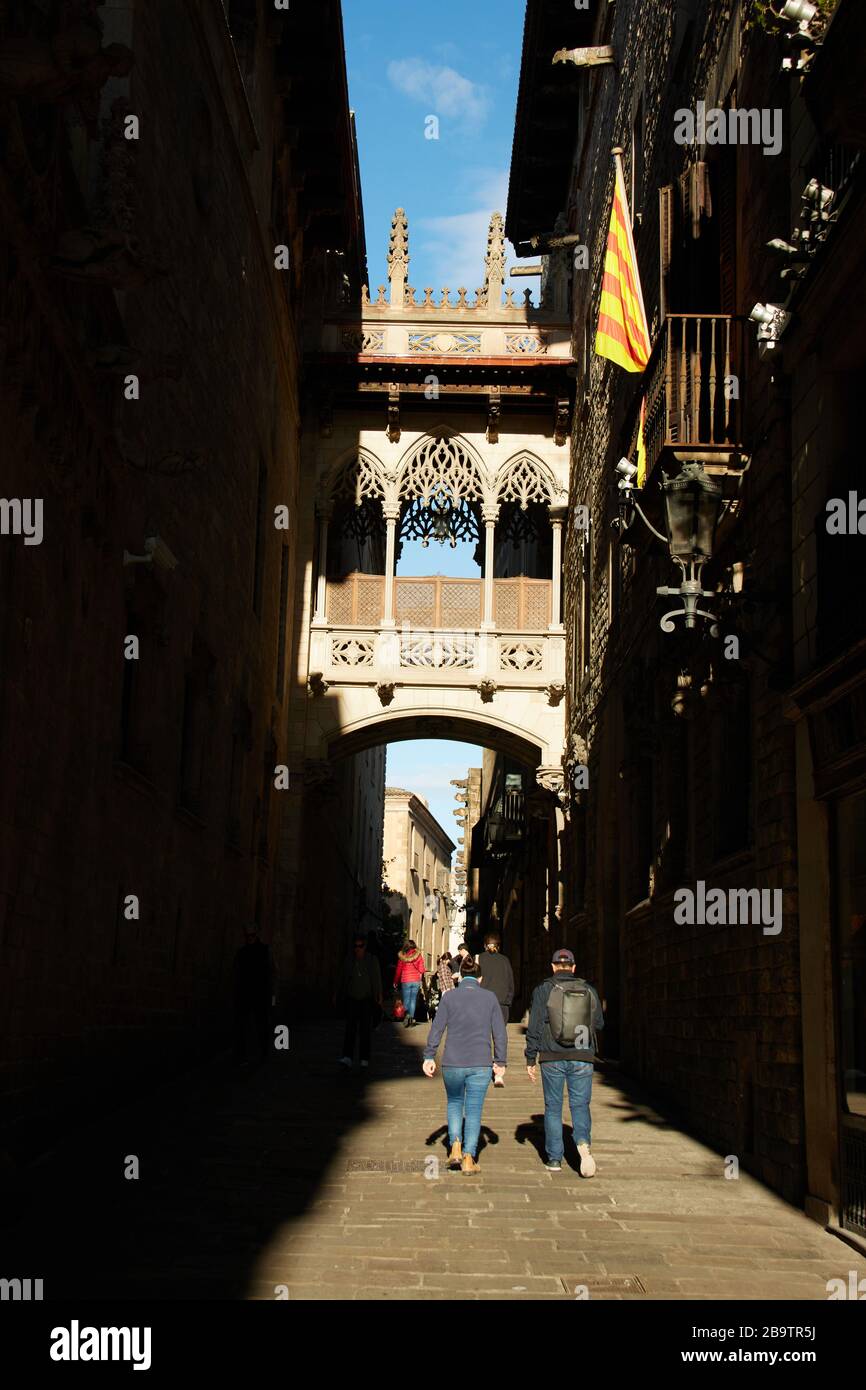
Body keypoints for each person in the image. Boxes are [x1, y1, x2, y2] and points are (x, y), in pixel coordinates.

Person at [422, 954, 506, 1174]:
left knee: (454, 1103)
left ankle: (455, 1146)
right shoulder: (490, 998)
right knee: (474, 1109)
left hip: (453, 1062)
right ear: (480, 979)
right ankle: (469, 1157)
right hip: (480, 1063)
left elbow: (437, 1028)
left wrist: (429, 1056)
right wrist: (500, 1062)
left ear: (461, 977)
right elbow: (499, 1033)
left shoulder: (449, 998)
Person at [525, 948, 604, 1175]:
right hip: (582, 1053)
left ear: (552, 967)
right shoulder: (588, 989)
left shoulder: (543, 989)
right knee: (580, 1104)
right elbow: (598, 1022)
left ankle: (554, 1159)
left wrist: (531, 1057)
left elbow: (535, 1025)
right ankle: (583, 1146)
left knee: (553, 1107)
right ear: (573, 967)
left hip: (551, 1056)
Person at [335, 936, 383, 1069]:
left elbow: (376, 978)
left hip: (366, 1000)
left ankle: (364, 1058)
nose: (357, 949)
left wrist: (378, 996)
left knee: (365, 1030)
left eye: (360, 946)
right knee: (350, 1029)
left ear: (365, 946)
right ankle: (347, 1057)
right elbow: (343, 978)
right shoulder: (349, 960)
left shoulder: (371, 960)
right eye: (355, 946)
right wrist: (338, 994)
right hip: (352, 998)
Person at [233, 924, 275, 1063]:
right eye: (247, 935)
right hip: (248, 993)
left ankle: (262, 1052)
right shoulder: (242, 952)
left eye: (251, 935)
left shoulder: (263, 950)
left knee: (260, 1024)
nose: (249, 938)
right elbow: (237, 973)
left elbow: (270, 973)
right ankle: (244, 1053)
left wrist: (271, 994)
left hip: (258, 993)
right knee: (245, 1025)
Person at [477, 932, 514, 1086]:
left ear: (485, 945)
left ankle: (482, 1068)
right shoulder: (505, 960)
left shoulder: (480, 958)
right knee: (500, 1037)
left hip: (483, 1002)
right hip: (501, 1003)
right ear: (498, 946)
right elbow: (511, 982)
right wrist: (508, 1001)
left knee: (482, 1036)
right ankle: (499, 1072)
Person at [393, 939, 426, 1027]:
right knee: (413, 1000)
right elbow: (422, 970)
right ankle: (411, 1018)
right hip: (415, 981)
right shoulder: (418, 956)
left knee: (406, 999)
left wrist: (395, 981)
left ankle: (407, 1015)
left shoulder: (402, 956)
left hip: (405, 980)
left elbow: (398, 970)